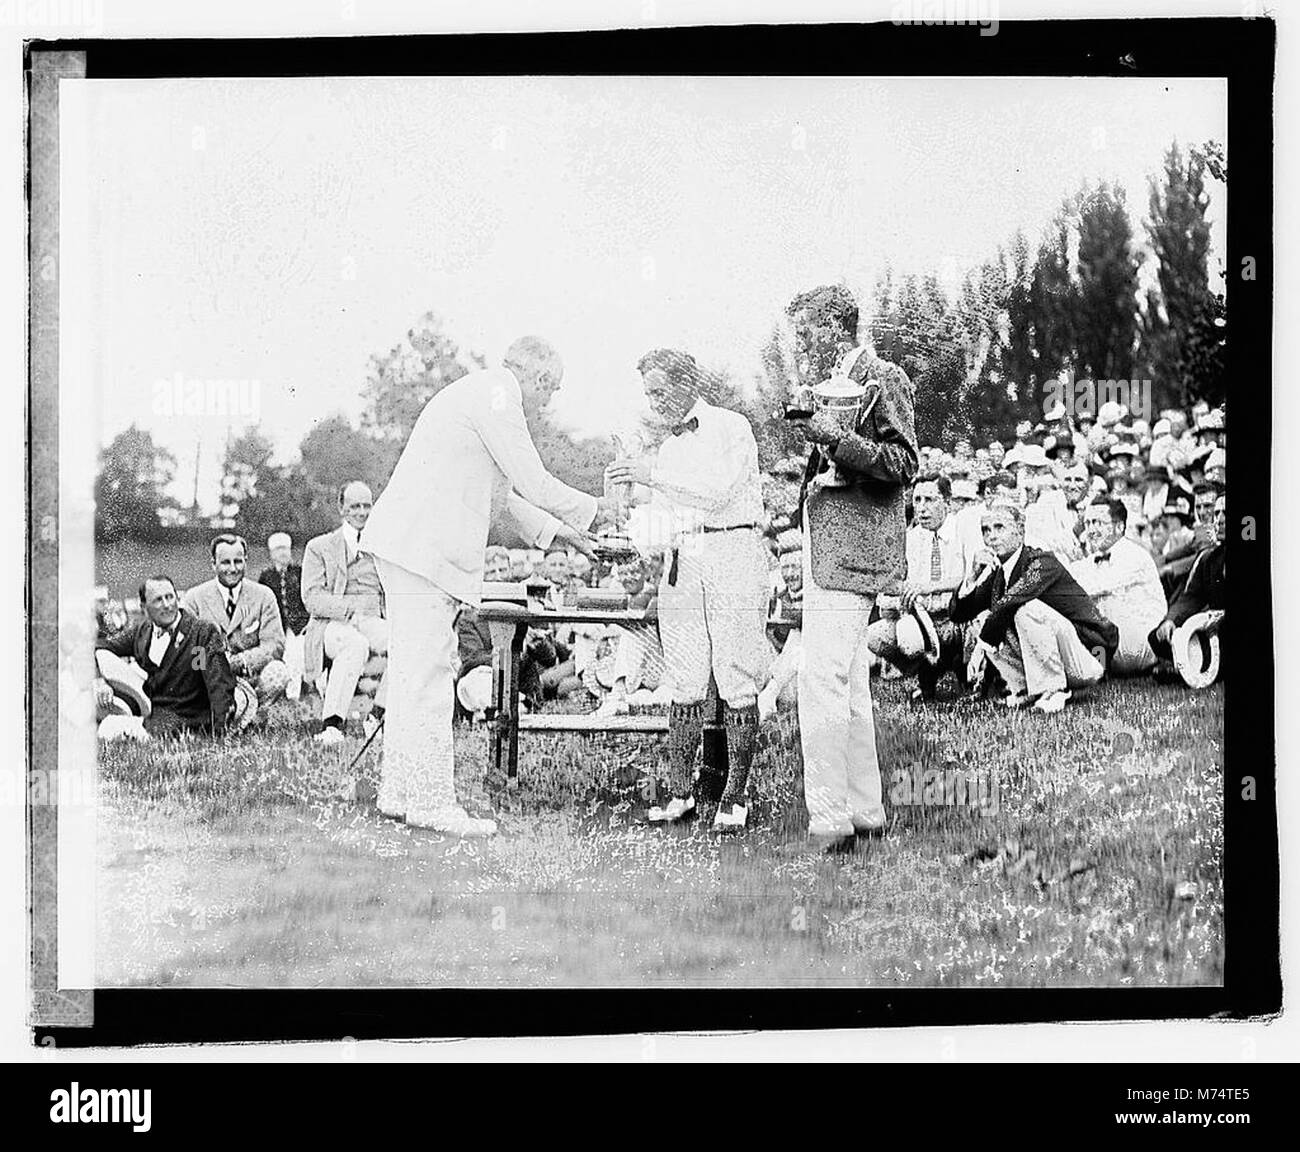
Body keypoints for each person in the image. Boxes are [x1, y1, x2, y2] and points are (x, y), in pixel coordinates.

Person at [361, 335, 609, 837]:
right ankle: (432, 802)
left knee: (412, 673)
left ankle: (400, 792)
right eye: (552, 389)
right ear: (537, 378)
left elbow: (511, 499)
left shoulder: (479, 395)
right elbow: (535, 481)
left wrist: (569, 536)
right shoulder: (499, 396)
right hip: (422, 551)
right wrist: (600, 510)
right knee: (429, 675)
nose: (549, 401)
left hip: (408, 547)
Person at [606, 347, 771, 833]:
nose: (655, 402)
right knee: (686, 679)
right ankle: (681, 793)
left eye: (660, 391)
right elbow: (664, 519)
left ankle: (735, 798)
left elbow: (715, 491)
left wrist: (647, 472)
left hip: (734, 554)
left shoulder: (731, 427)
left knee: (737, 678)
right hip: (686, 561)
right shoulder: (668, 449)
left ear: (686, 384)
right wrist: (623, 535)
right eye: (649, 394)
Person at [784, 284, 918, 850]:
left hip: (857, 546)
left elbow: (905, 462)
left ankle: (829, 819)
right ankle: (865, 810)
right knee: (850, 680)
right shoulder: (829, 386)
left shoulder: (882, 376)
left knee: (822, 679)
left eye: (806, 331)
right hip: (830, 542)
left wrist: (832, 437)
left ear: (832, 326)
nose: (801, 344)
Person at [951, 502, 1117, 713]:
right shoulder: (999, 573)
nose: (991, 536)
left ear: (1021, 530)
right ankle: (1024, 689)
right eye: (986, 530)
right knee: (983, 617)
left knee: (1024, 609)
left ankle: (1054, 691)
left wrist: (982, 647)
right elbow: (960, 614)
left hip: (1092, 655)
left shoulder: (1041, 561)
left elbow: (1010, 602)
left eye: (999, 527)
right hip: (1064, 657)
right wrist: (971, 576)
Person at [301, 482, 391, 745]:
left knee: (404, 643)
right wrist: (346, 610)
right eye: (354, 506)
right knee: (355, 644)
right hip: (332, 624)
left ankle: (377, 716)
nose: (361, 512)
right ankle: (332, 725)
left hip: (372, 619)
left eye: (367, 506)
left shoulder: (383, 548)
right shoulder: (319, 547)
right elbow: (312, 597)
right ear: (342, 509)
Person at [867, 472, 970, 702]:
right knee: (876, 635)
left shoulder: (963, 529)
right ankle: (926, 670)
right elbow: (891, 589)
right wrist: (900, 599)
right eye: (917, 500)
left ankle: (966, 674)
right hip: (925, 619)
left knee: (962, 631)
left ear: (947, 501)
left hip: (960, 616)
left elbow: (969, 578)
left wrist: (927, 587)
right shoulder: (911, 539)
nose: (921, 508)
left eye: (930, 500)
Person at [95, 575, 236, 738]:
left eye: (170, 597)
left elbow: (218, 684)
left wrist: (220, 732)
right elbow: (100, 646)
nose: (167, 605)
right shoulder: (142, 632)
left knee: (108, 729)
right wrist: (101, 680)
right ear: (144, 607)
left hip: (188, 723)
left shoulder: (201, 634)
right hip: (151, 716)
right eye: (158, 600)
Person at [182, 534, 289, 706]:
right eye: (225, 562)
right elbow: (186, 650)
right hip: (209, 680)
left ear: (246, 561)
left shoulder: (264, 596)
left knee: (278, 672)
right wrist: (218, 664)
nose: (232, 569)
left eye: (238, 561)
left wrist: (243, 661)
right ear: (213, 563)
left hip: (251, 677)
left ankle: (255, 717)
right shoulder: (194, 598)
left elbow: (274, 645)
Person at [1068, 500, 1167, 675]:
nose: (1091, 530)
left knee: (1102, 600)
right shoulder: (1092, 559)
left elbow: (1095, 587)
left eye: (1098, 523)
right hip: (1112, 646)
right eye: (1088, 523)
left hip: (1139, 646)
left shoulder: (1134, 555)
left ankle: (1094, 667)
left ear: (1119, 527)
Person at [1149, 495, 1226, 669]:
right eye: (1217, 514)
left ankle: (1192, 663)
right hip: (1213, 630)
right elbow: (1191, 597)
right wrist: (1171, 621)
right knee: (1157, 637)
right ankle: (1192, 661)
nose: (1219, 520)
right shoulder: (1209, 558)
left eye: (1225, 513)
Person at [258, 532, 309, 701]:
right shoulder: (266, 576)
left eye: (286, 549)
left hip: (299, 626)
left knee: (297, 657)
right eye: (279, 550)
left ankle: (294, 695)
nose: (283, 553)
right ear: (272, 554)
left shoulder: (300, 572)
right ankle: (279, 693)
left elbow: (308, 598)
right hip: (277, 625)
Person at [757, 542, 804, 720]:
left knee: (798, 637)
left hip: (805, 669)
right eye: (785, 567)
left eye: (795, 567)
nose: (790, 574)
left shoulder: (815, 594)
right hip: (779, 668)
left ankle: (770, 693)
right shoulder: (777, 590)